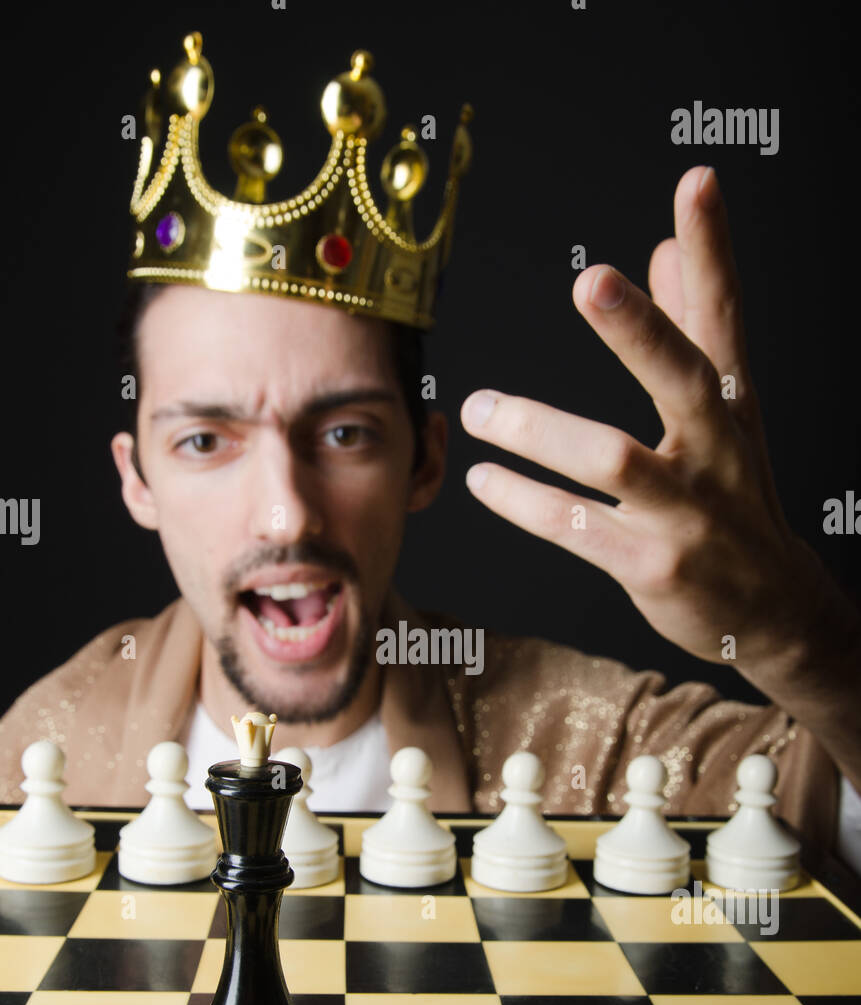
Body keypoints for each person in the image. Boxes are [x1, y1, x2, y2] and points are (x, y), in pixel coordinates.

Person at [1, 36, 859, 871]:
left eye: (344, 434)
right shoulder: (46, 748)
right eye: (203, 441)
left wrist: (795, 631)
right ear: (136, 479)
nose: (287, 512)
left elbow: (824, 822)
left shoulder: (586, 744)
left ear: (423, 461)